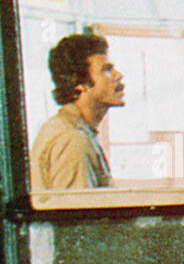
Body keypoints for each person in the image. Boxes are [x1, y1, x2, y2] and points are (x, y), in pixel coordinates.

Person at [30, 33, 123, 190]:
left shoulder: (78, 131)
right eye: (106, 70)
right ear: (80, 83)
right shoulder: (72, 139)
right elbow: (78, 214)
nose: (118, 76)